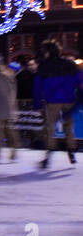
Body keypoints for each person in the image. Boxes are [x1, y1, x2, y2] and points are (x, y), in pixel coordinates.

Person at [33, 40, 80, 168]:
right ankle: (71, 150)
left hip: (52, 101)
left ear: (47, 52)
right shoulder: (70, 64)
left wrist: (37, 104)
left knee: (50, 128)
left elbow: (37, 86)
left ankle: (49, 153)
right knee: (68, 127)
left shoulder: (44, 66)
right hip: (69, 100)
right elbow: (79, 80)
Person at [0, 55, 21, 162]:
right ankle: (14, 152)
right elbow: (14, 93)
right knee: (11, 131)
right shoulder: (11, 76)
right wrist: (14, 107)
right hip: (10, 108)